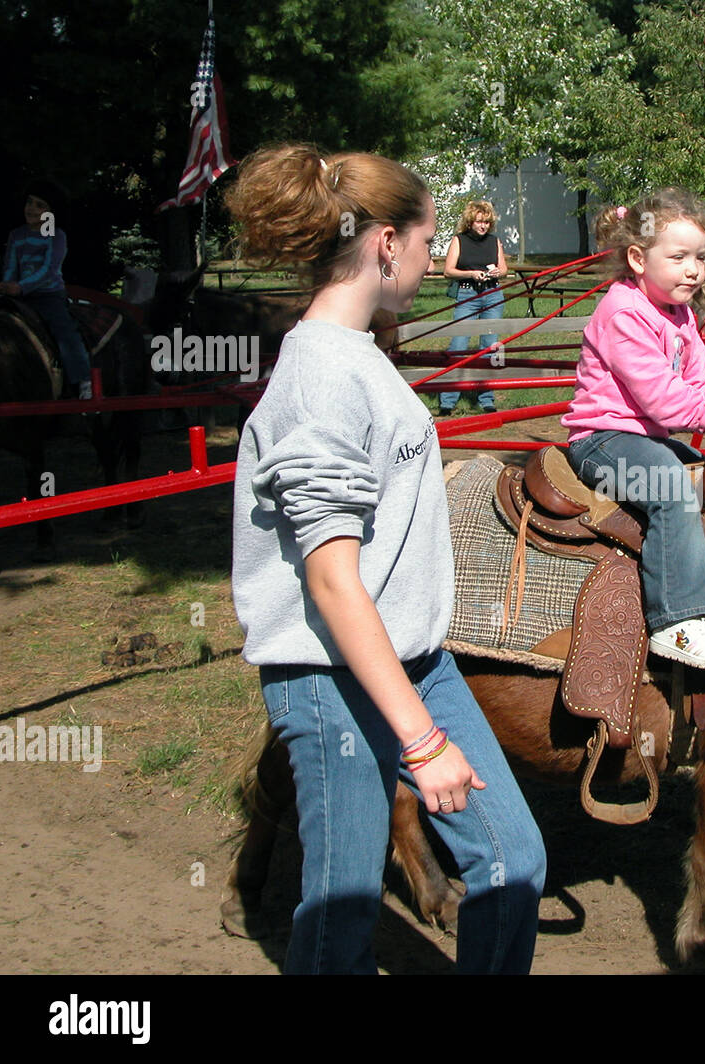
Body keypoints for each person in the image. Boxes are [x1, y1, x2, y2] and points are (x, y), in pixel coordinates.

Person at [226, 146, 545, 975]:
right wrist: (423, 740)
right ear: (386, 244)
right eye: (428, 238)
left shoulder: (356, 358)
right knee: (342, 908)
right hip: (329, 677)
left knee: (514, 861)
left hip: (415, 659)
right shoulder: (322, 377)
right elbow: (331, 579)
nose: (435, 260)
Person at [562, 189, 705, 670]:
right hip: (601, 440)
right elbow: (658, 395)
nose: (694, 269)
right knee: (669, 487)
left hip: (640, 436)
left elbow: (697, 376)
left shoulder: (680, 313)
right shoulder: (623, 311)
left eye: (701, 258)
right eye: (679, 257)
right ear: (637, 259)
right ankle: (678, 622)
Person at [0, 185, 94, 399]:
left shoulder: (55, 236)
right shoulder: (16, 235)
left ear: (52, 212)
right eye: (29, 202)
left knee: (64, 331)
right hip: (17, 295)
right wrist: (7, 283)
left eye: (40, 205)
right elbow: (10, 263)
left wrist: (22, 286)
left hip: (47, 295)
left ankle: (82, 379)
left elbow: (49, 270)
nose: (31, 209)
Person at [439, 200, 507, 416]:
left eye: (486, 222)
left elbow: (504, 268)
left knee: (490, 346)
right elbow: (448, 271)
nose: (483, 226)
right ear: (470, 222)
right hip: (468, 293)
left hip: (492, 293)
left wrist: (498, 272)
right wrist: (470, 273)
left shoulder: (494, 241)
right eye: (479, 221)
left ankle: (486, 398)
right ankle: (447, 401)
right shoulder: (459, 240)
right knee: (459, 344)